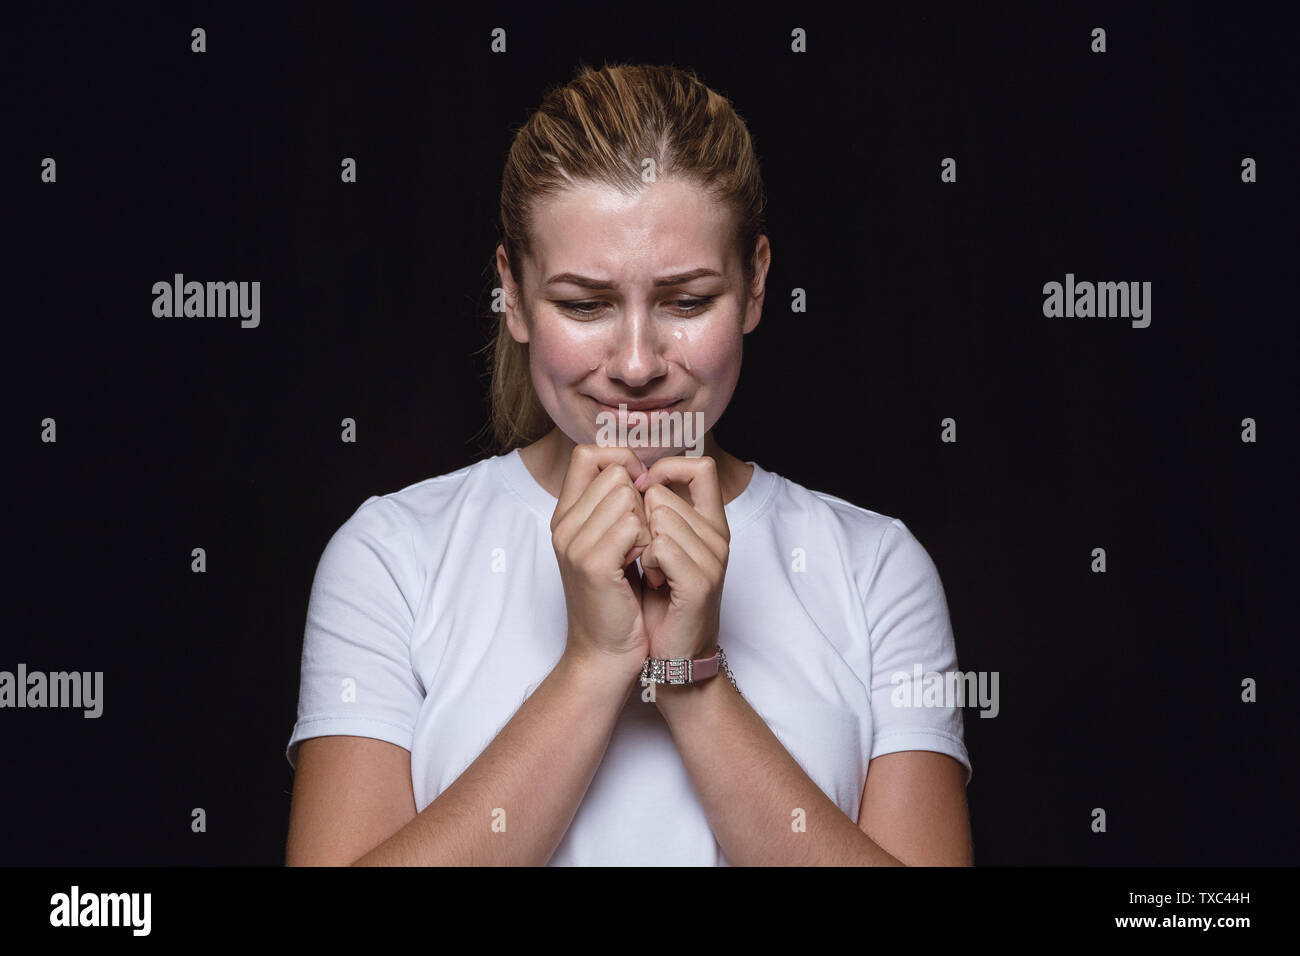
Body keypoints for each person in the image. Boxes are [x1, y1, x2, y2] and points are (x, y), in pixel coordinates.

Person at [284, 62, 973, 866]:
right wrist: (595, 662)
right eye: (584, 305)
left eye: (686, 301)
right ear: (512, 293)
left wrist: (692, 677)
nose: (638, 362)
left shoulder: (876, 567)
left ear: (755, 286)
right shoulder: (389, 555)